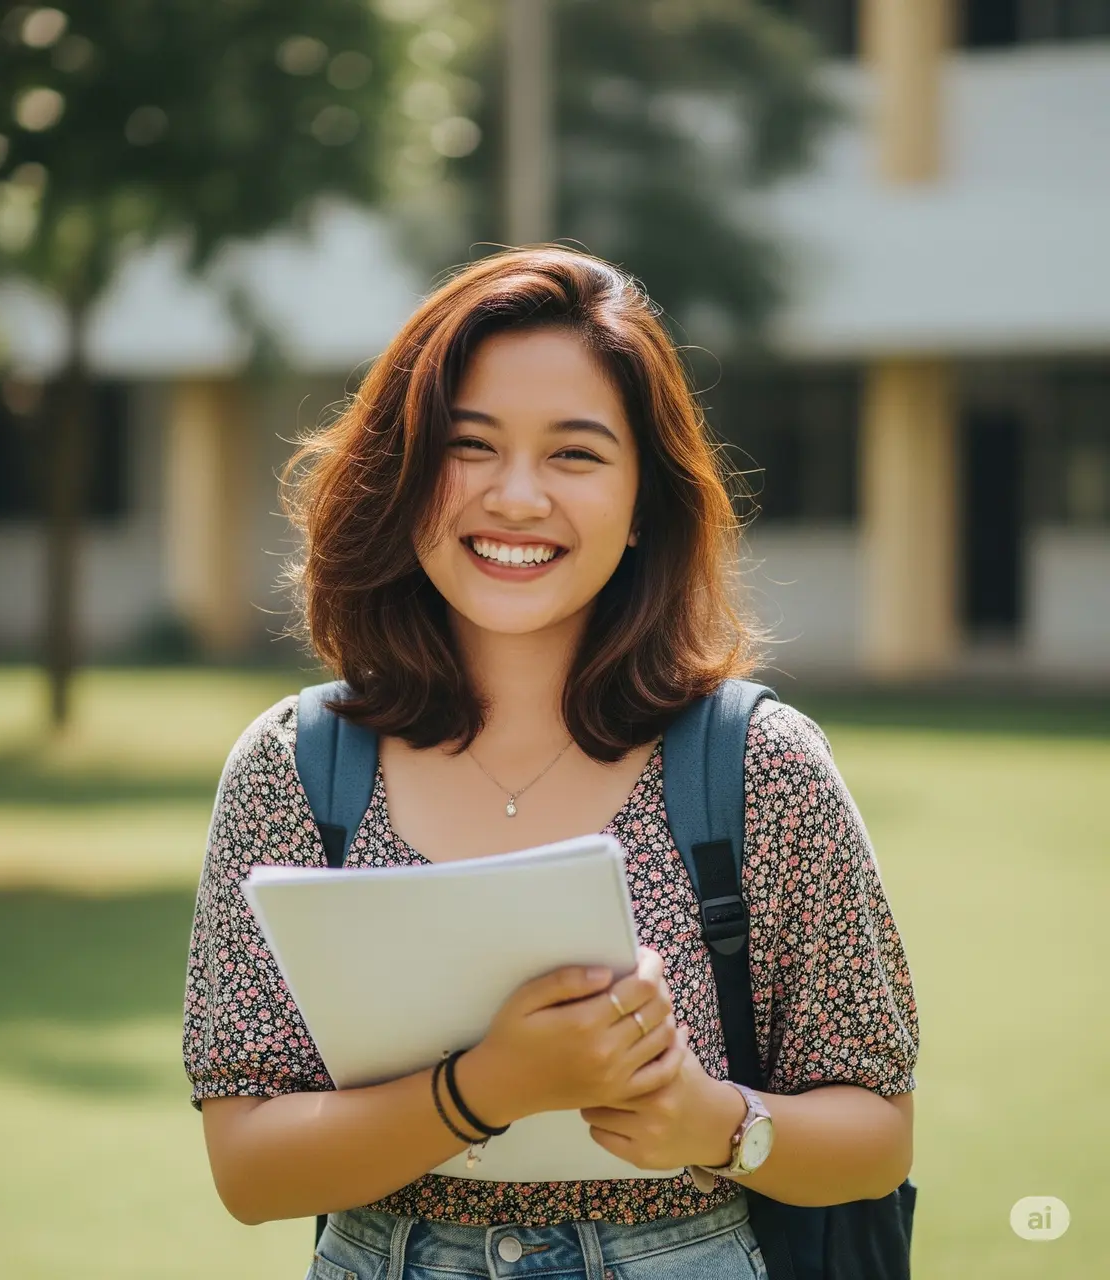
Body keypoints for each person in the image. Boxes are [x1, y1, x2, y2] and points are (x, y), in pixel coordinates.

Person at [182, 247, 919, 1280]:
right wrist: (484, 1085)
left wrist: (708, 1120)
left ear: (642, 504)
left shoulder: (758, 766)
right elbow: (248, 1167)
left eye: (573, 454)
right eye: (467, 445)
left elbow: (877, 1127)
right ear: (401, 475)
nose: (515, 496)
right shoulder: (296, 767)